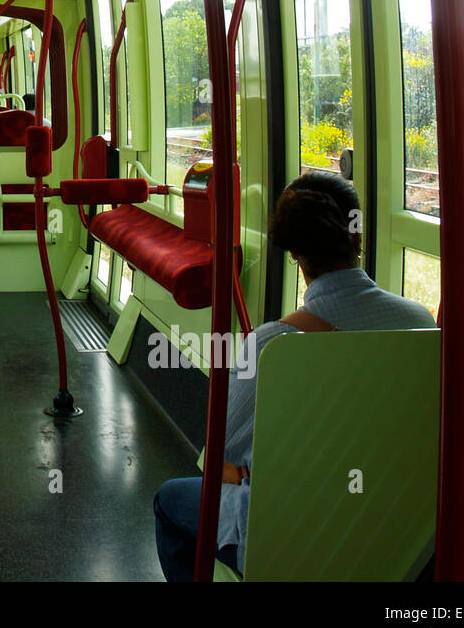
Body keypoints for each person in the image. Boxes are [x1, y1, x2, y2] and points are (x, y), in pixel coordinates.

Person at [152, 171, 436, 580]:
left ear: (295, 255)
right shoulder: (420, 322)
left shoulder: (273, 344)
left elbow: (223, 452)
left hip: (286, 533)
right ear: (357, 237)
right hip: (393, 525)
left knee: (169, 500)